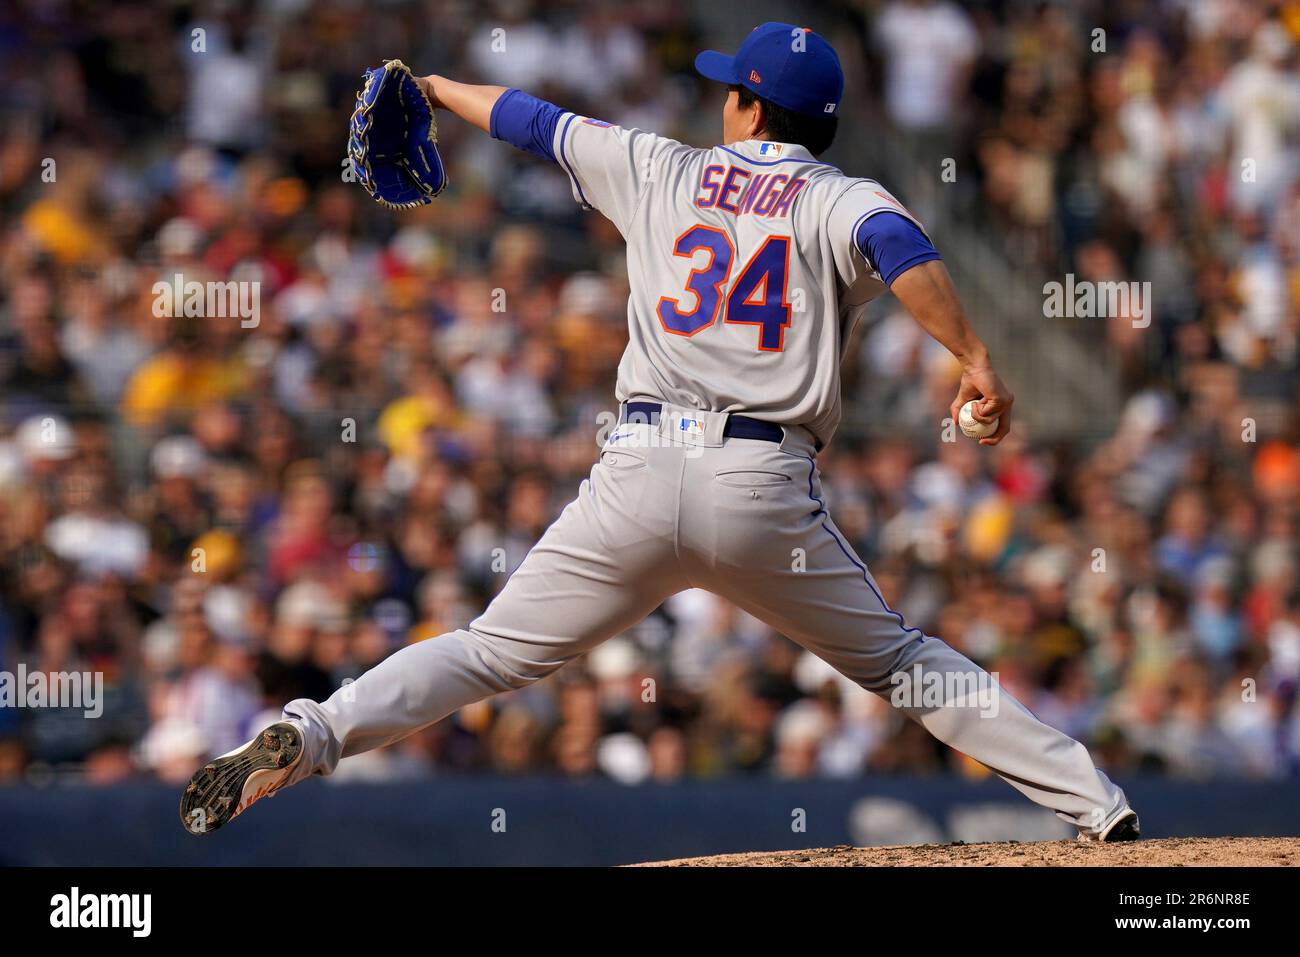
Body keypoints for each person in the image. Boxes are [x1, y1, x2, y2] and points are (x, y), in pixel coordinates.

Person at [180, 22, 1138, 843]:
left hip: (639, 467)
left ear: (753, 111)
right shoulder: (843, 194)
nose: (722, 101)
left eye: (732, 91)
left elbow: (526, 117)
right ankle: (1095, 806)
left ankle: (311, 734)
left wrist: (433, 87)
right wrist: (973, 355)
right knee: (898, 663)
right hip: (759, 483)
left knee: (487, 651)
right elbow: (902, 250)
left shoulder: (657, 165)